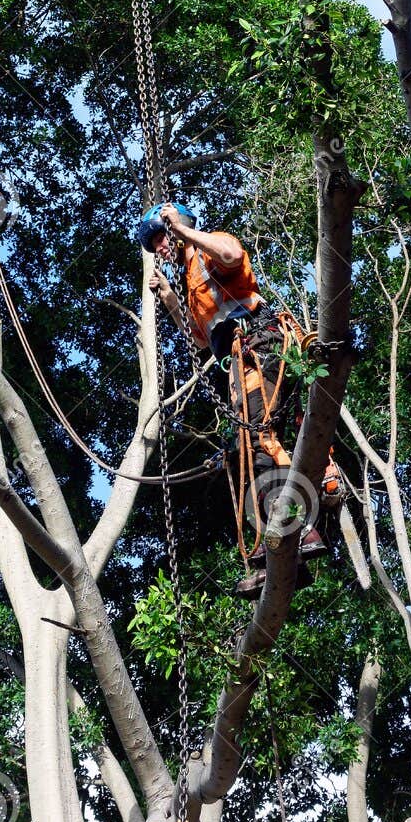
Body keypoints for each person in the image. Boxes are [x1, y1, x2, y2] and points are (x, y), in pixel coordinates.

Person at [137, 200, 330, 598]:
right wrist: (170, 297)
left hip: (258, 342)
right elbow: (199, 339)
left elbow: (232, 255)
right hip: (239, 360)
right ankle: (279, 549)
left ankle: (299, 528)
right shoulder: (189, 282)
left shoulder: (208, 248)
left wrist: (182, 231)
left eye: (161, 237)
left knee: (260, 440)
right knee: (248, 450)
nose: (161, 247)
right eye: (155, 244)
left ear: (178, 225)